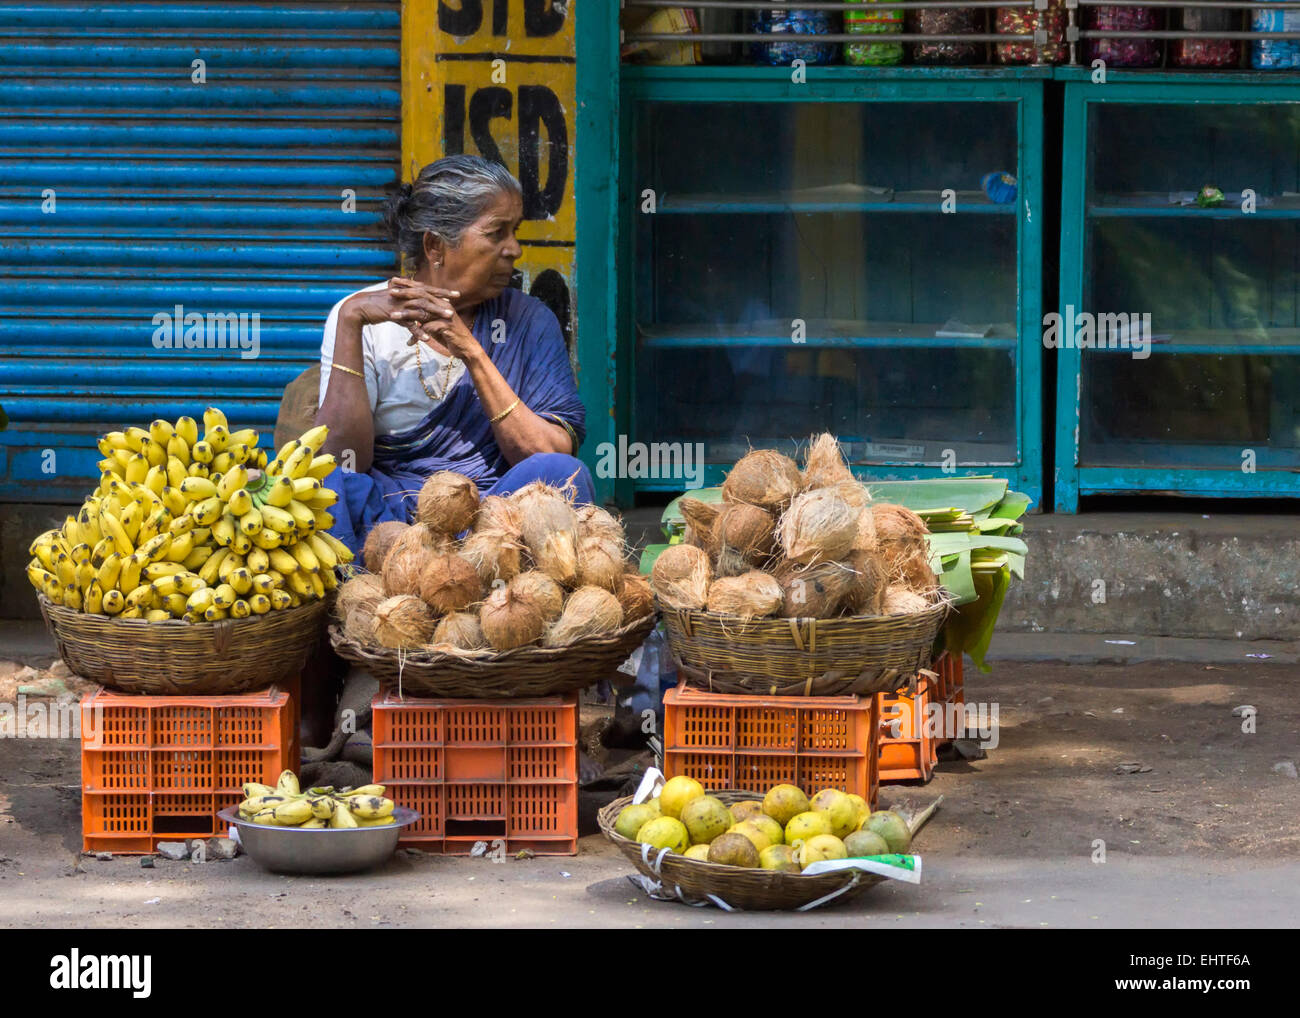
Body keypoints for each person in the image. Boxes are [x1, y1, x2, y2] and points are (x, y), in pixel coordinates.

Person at [314, 154, 592, 555]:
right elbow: (344, 460)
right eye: (497, 233)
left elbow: (546, 452)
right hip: (394, 523)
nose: (514, 249)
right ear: (435, 246)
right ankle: (380, 587)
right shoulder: (361, 316)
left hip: (497, 518)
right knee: (328, 489)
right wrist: (350, 323)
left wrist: (472, 352)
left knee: (564, 474)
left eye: (515, 231)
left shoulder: (529, 321)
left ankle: (476, 576)